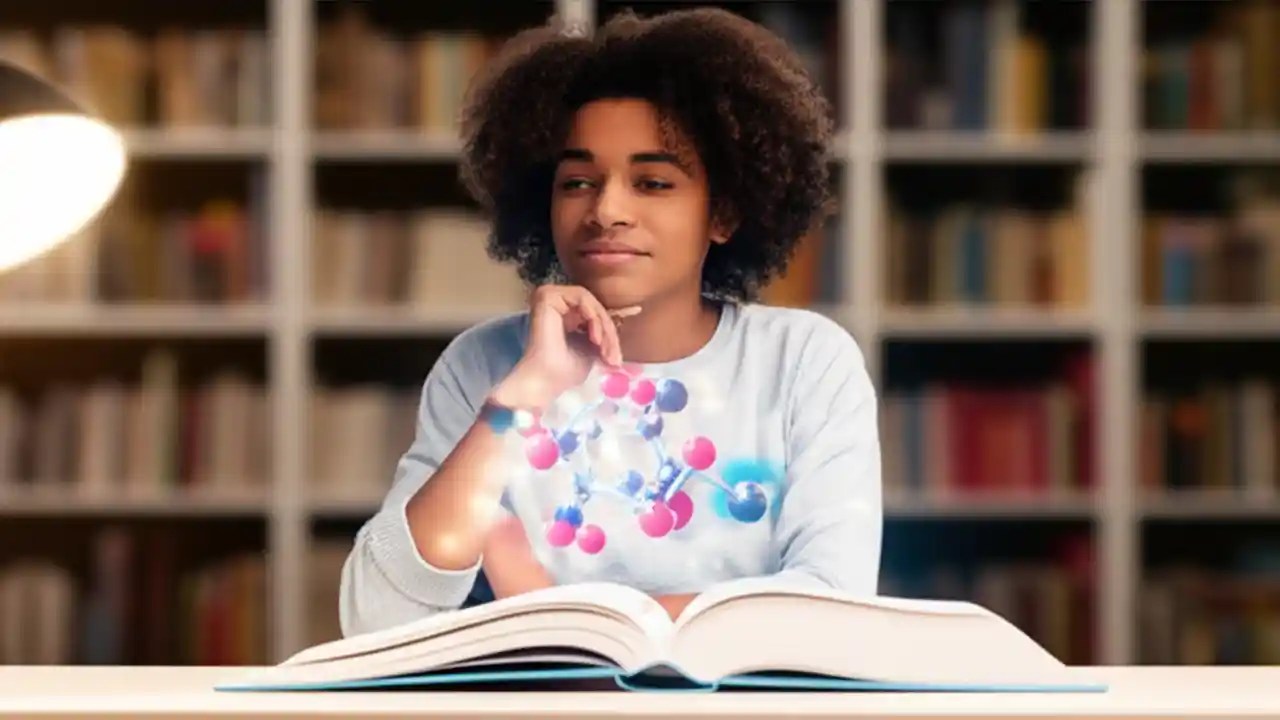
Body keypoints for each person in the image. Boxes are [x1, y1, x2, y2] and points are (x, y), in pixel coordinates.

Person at [339, 7, 882, 638]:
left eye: (652, 182)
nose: (606, 210)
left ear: (725, 213)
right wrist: (521, 399)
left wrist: (563, 620)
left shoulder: (806, 362)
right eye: (577, 182)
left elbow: (832, 604)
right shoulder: (485, 366)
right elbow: (376, 617)